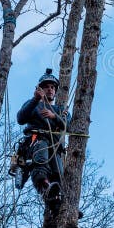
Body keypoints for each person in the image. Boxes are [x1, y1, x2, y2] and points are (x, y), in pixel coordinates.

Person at [16, 68, 67, 214]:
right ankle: (45, 187)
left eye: (52, 87)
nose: (50, 89)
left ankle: (58, 204)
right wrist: (35, 99)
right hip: (37, 139)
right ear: (40, 89)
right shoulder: (33, 103)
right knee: (40, 161)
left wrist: (54, 116)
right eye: (46, 87)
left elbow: (67, 125)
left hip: (55, 146)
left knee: (58, 174)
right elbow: (20, 118)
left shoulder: (60, 109)